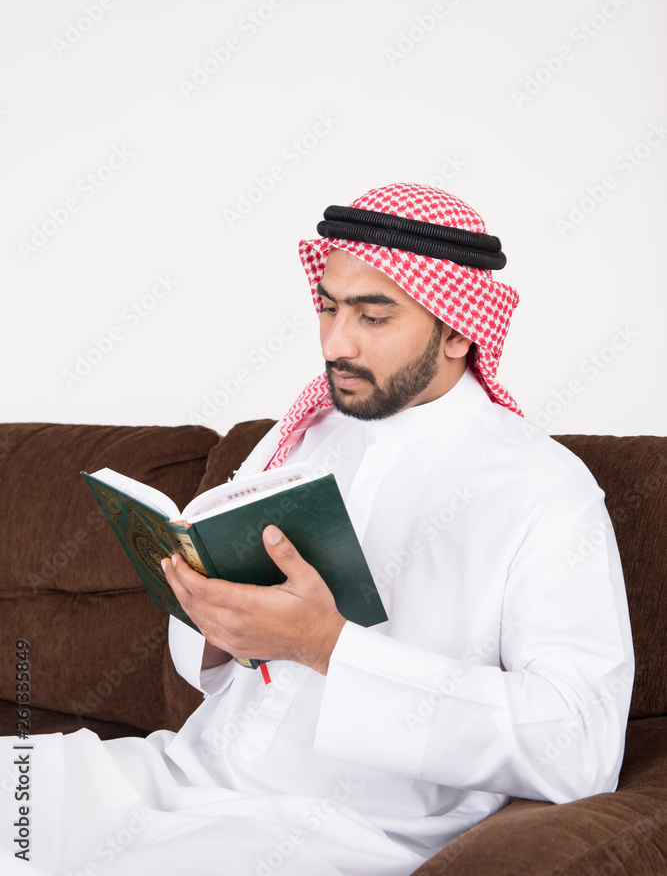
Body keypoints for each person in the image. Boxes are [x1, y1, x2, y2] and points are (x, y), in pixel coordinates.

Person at [0, 183, 633, 876]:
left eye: (373, 316)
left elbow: (579, 742)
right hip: (182, 773)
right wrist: (212, 617)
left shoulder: (544, 488)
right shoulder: (300, 436)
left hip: (342, 829)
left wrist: (327, 646)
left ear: (458, 329)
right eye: (328, 308)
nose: (335, 343)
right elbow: (218, 663)